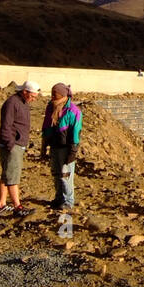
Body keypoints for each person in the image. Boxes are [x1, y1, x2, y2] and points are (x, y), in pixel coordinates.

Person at [0, 80, 40, 216]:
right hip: (12, 145)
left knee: (6, 175)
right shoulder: (12, 103)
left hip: (15, 144)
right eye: (32, 96)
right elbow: (6, 126)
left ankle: (1, 205)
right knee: (13, 177)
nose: (33, 99)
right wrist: (11, 145)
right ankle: (17, 207)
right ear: (24, 92)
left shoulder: (22, 103)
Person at [40, 82, 82, 211]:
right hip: (54, 146)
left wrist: (73, 150)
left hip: (66, 147)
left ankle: (68, 201)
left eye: (55, 95)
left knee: (65, 175)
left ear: (63, 95)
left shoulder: (73, 111)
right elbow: (47, 126)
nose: (52, 97)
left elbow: (76, 131)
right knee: (56, 173)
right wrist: (44, 144)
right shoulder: (51, 108)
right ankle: (59, 198)